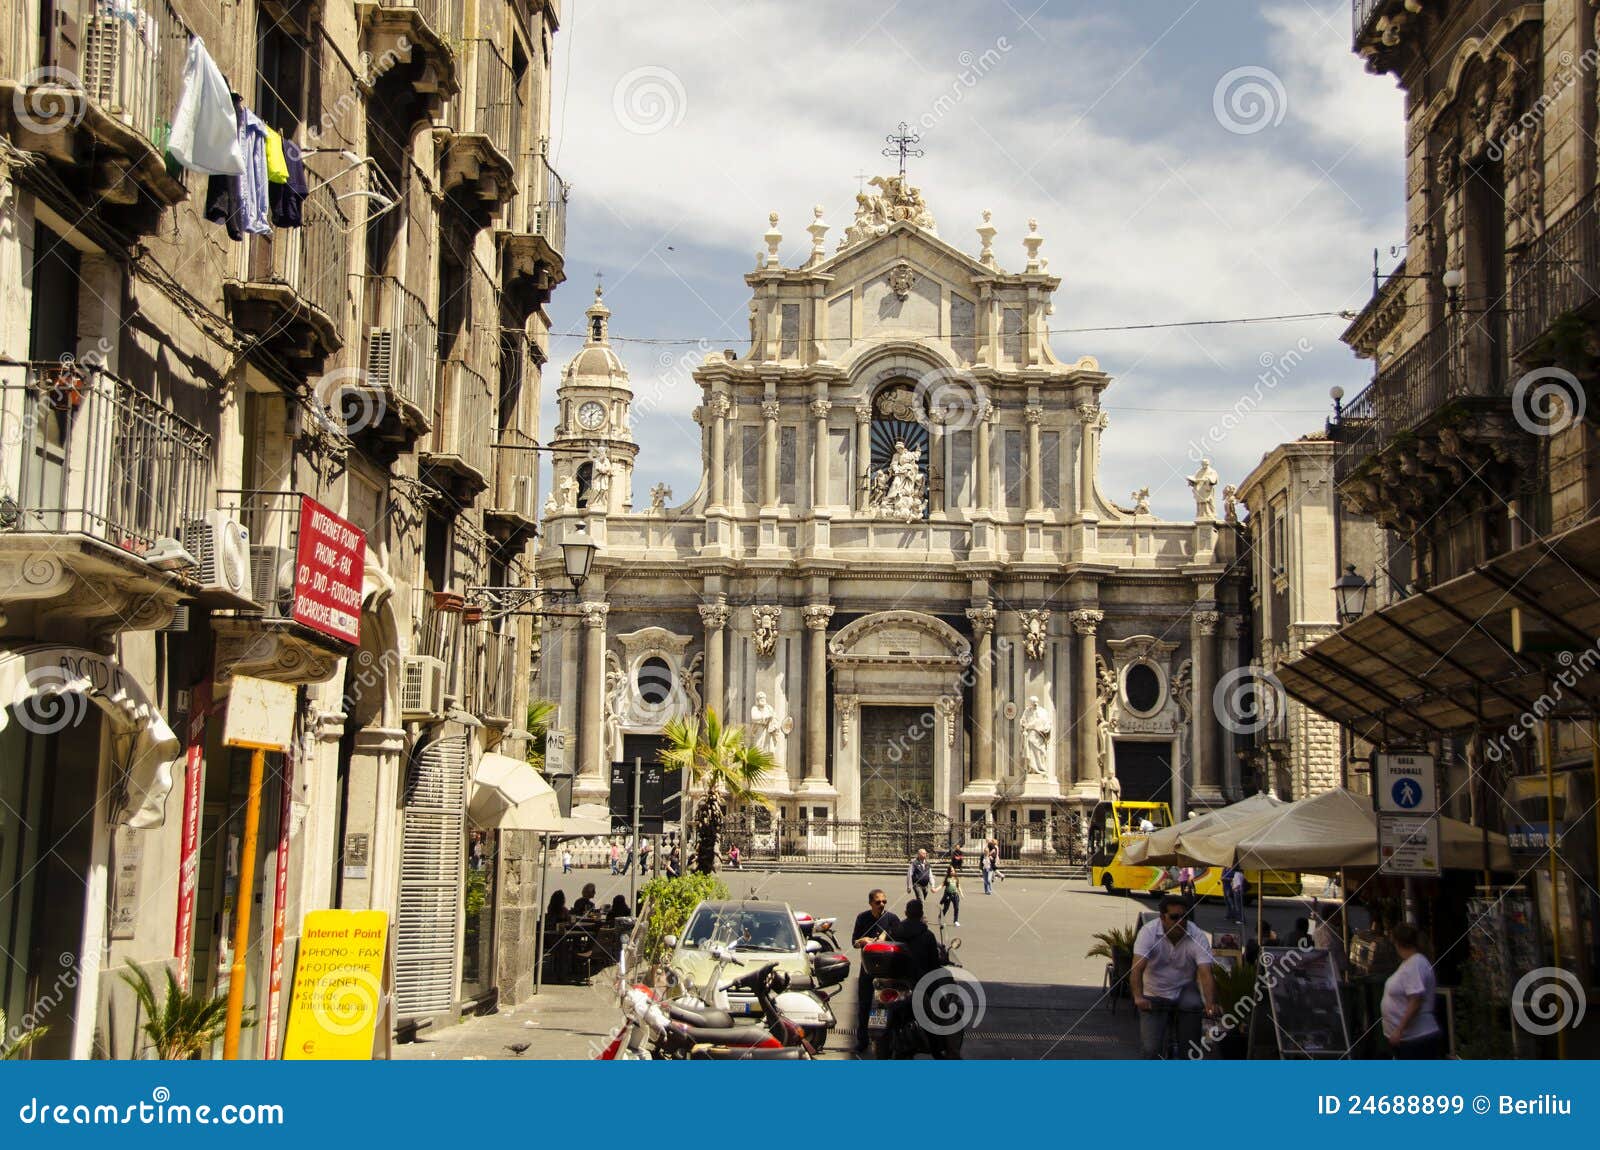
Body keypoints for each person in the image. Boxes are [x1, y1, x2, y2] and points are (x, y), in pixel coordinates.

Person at [1130, 895, 1221, 1059]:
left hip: (1184, 991)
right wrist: (1138, 997)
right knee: (1151, 1050)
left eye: (1184, 917)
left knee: (1191, 1050)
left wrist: (1210, 1004)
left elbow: (1206, 973)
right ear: (1162, 917)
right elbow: (1137, 968)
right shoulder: (1148, 932)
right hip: (1154, 994)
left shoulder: (1197, 935)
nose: (1181, 921)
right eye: (1174, 917)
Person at [851, 889, 901, 1052]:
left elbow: (900, 942)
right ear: (871, 903)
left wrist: (886, 938)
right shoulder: (862, 918)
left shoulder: (892, 919)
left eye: (884, 902)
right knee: (864, 1004)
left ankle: (888, 1040)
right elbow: (854, 942)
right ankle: (862, 1040)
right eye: (878, 902)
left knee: (888, 1004)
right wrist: (863, 940)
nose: (882, 905)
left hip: (888, 970)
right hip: (867, 968)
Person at [1383, 924, 1443, 1058]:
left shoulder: (1416, 963)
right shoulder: (1408, 963)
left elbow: (1416, 1000)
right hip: (1408, 1039)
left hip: (1416, 1037)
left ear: (1397, 942)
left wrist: (1399, 1029)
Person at [891, 899, 943, 984]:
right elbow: (934, 960)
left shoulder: (895, 931)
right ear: (921, 914)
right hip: (921, 977)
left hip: (897, 973)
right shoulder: (928, 935)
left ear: (906, 913)